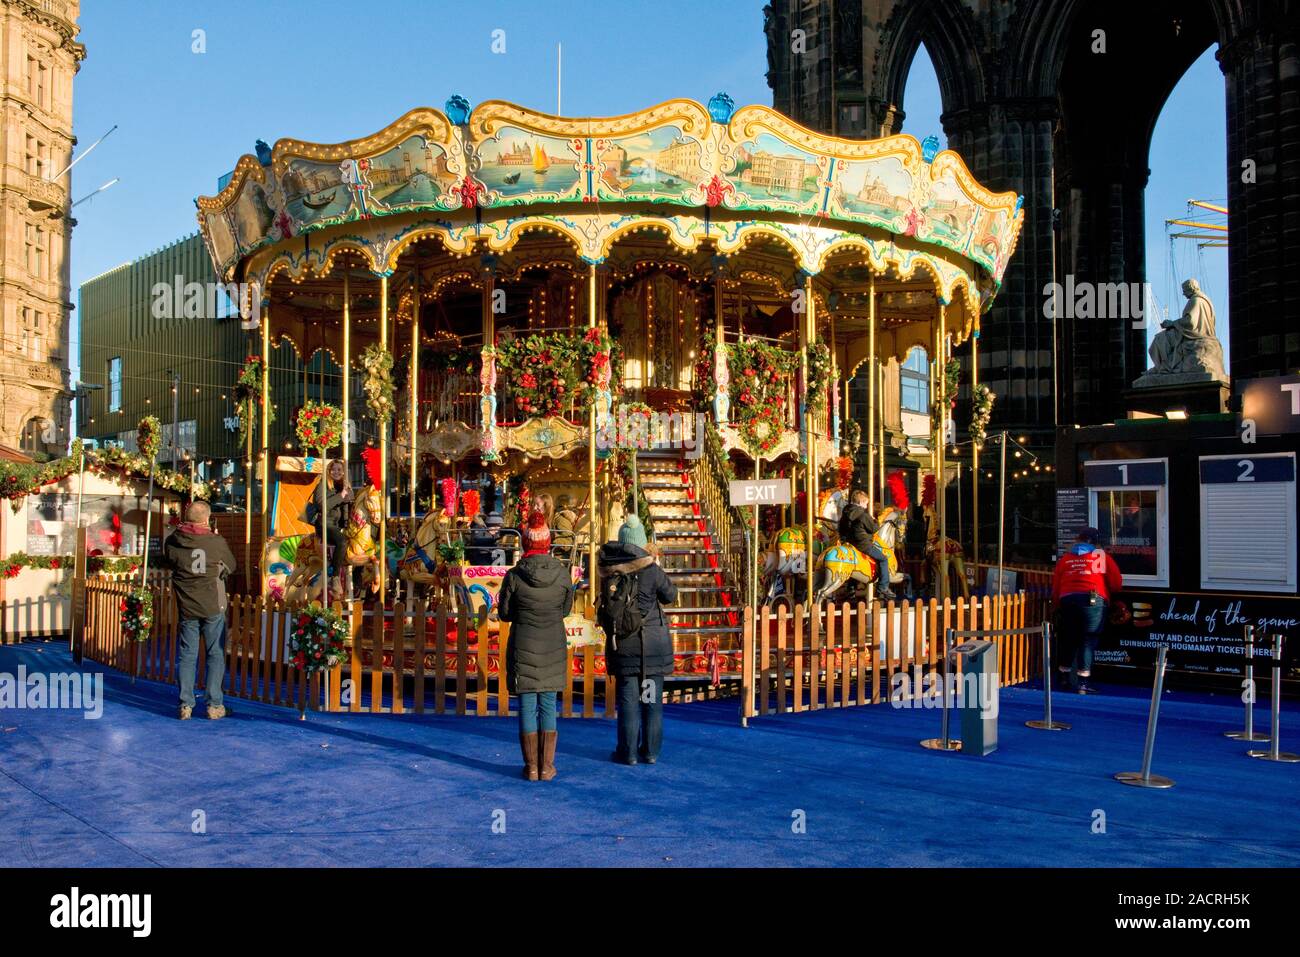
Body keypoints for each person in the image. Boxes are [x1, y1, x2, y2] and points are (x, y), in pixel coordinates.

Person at [498, 513, 572, 781]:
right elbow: (566, 609)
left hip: (524, 644)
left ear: (526, 544)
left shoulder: (514, 576)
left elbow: (505, 613)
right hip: (552, 645)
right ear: (548, 543)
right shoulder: (562, 574)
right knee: (549, 706)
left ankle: (531, 766)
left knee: (528, 705)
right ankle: (547, 766)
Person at [598, 516, 677, 765]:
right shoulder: (652, 569)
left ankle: (628, 752)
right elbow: (670, 596)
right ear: (641, 542)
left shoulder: (609, 570)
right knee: (650, 701)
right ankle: (650, 751)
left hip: (624, 645)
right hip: (652, 648)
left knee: (629, 702)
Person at [162, 501, 237, 720]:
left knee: (187, 654)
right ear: (207, 519)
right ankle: (214, 704)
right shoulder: (216, 542)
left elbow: (169, 562)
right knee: (215, 653)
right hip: (213, 604)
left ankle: (186, 703)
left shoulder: (174, 541)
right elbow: (231, 565)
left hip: (187, 605)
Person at [1051, 527, 1123, 694]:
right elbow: (1116, 584)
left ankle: (1063, 678)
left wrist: (1056, 605)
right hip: (1092, 601)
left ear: (1078, 539)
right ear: (1095, 541)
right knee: (1087, 640)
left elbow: (1056, 586)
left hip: (1067, 600)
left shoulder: (1066, 558)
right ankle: (1083, 683)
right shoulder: (1100, 556)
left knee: (1069, 639)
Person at [838, 489, 894, 599]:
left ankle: (851, 587)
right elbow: (873, 529)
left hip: (849, 544)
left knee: (854, 565)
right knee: (883, 559)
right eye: (866, 503)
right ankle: (883, 587)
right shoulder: (862, 514)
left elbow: (841, 528)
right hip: (863, 544)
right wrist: (875, 521)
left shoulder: (845, 512)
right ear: (860, 502)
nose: (866, 506)